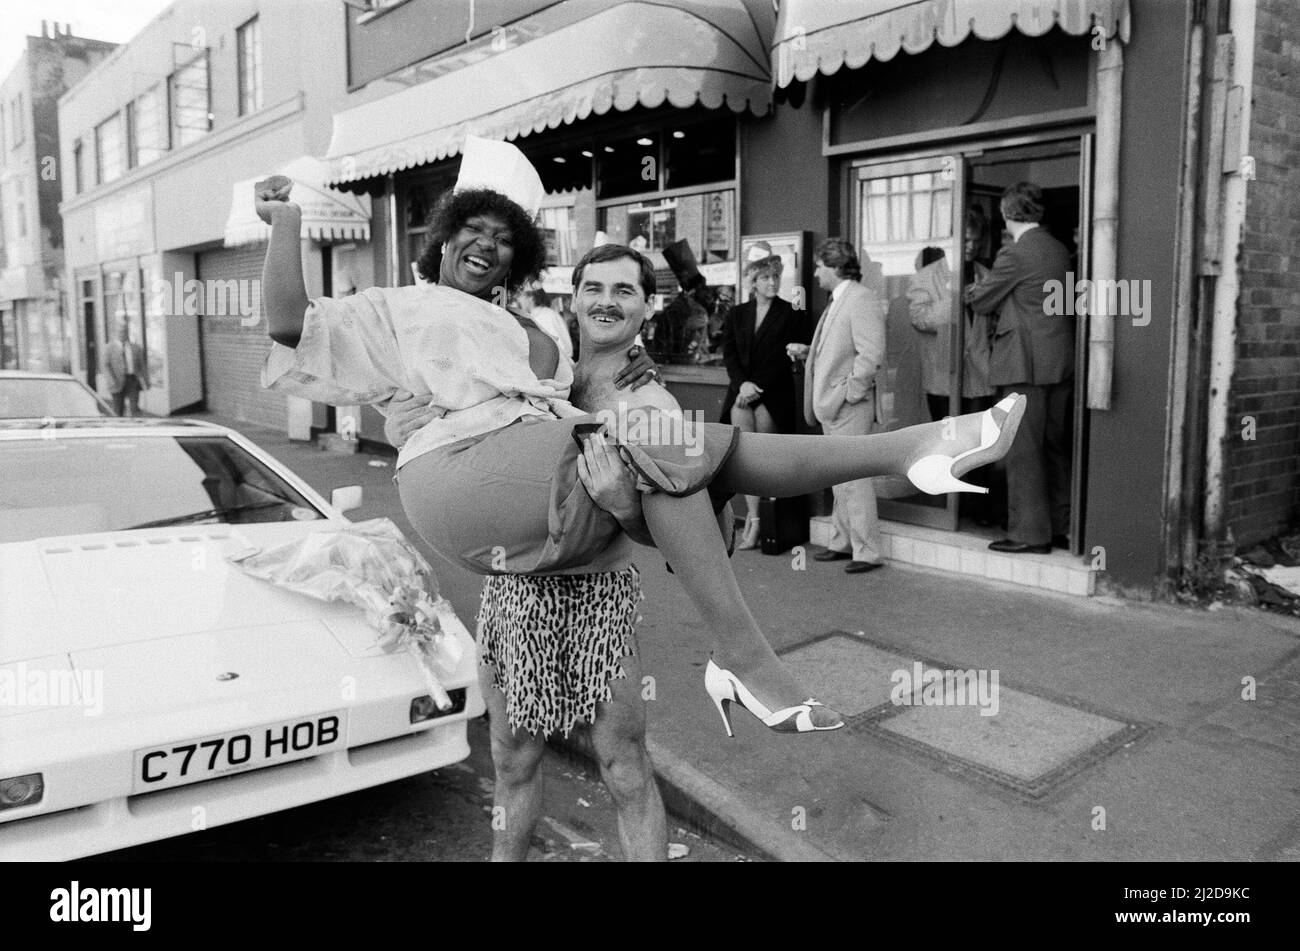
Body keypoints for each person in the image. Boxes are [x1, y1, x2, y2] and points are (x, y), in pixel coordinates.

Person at [256, 136, 1027, 736]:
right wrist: (286, 221)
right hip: (451, 477)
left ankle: (913, 455)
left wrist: (625, 429)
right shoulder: (401, 306)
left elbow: (639, 467)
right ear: (444, 237)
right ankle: (894, 473)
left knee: (669, 441)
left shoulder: (540, 331)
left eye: (502, 235)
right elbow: (291, 322)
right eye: (470, 228)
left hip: (547, 514)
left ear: (520, 258)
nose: (483, 243)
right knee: (659, 441)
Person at [965, 182, 1073, 554]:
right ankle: (1060, 527)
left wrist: (970, 290)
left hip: (1023, 365)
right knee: (1054, 449)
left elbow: (982, 301)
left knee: (1022, 451)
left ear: (1007, 213)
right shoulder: (1059, 249)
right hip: (1058, 364)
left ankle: (1029, 534)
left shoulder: (1015, 253)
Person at [804, 239, 888, 575]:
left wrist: (848, 393)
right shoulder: (842, 298)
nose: (815, 273)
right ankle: (841, 542)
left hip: (847, 406)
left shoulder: (860, 298)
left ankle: (867, 552)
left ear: (835, 267)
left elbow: (871, 355)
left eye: (819, 266)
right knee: (841, 479)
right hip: (836, 406)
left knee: (854, 479)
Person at [722, 242, 811, 549]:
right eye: (766, 278)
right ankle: (754, 522)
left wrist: (754, 387)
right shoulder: (737, 314)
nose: (772, 282)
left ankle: (772, 525)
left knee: (766, 461)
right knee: (746, 462)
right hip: (741, 394)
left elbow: (781, 358)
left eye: (776, 277)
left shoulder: (791, 313)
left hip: (772, 395)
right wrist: (742, 385)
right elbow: (730, 354)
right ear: (753, 281)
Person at [908, 246, 952, 423]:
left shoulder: (980, 273)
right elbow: (920, 320)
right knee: (945, 433)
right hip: (940, 377)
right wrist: (953, 298)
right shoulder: (922, 282)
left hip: (975, 374)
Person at [104, 322, 148, 417]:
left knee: (134, 408)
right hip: (116, 381)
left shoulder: (136, 348)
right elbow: (106, 365)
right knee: (118, 410)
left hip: (132, 380)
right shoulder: (110, 347)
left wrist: (146, 381)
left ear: (128, 333)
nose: (122, 334)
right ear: (116, 333)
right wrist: (112, 380)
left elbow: (141, 366)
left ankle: (135, 428)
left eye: (124, 332)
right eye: (120, 332)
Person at [518, 285, 573, 362]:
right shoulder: (540, 315)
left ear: (531, 297)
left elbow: (560, 348)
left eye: (521, 296)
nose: (519, 300)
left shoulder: (546, 316)